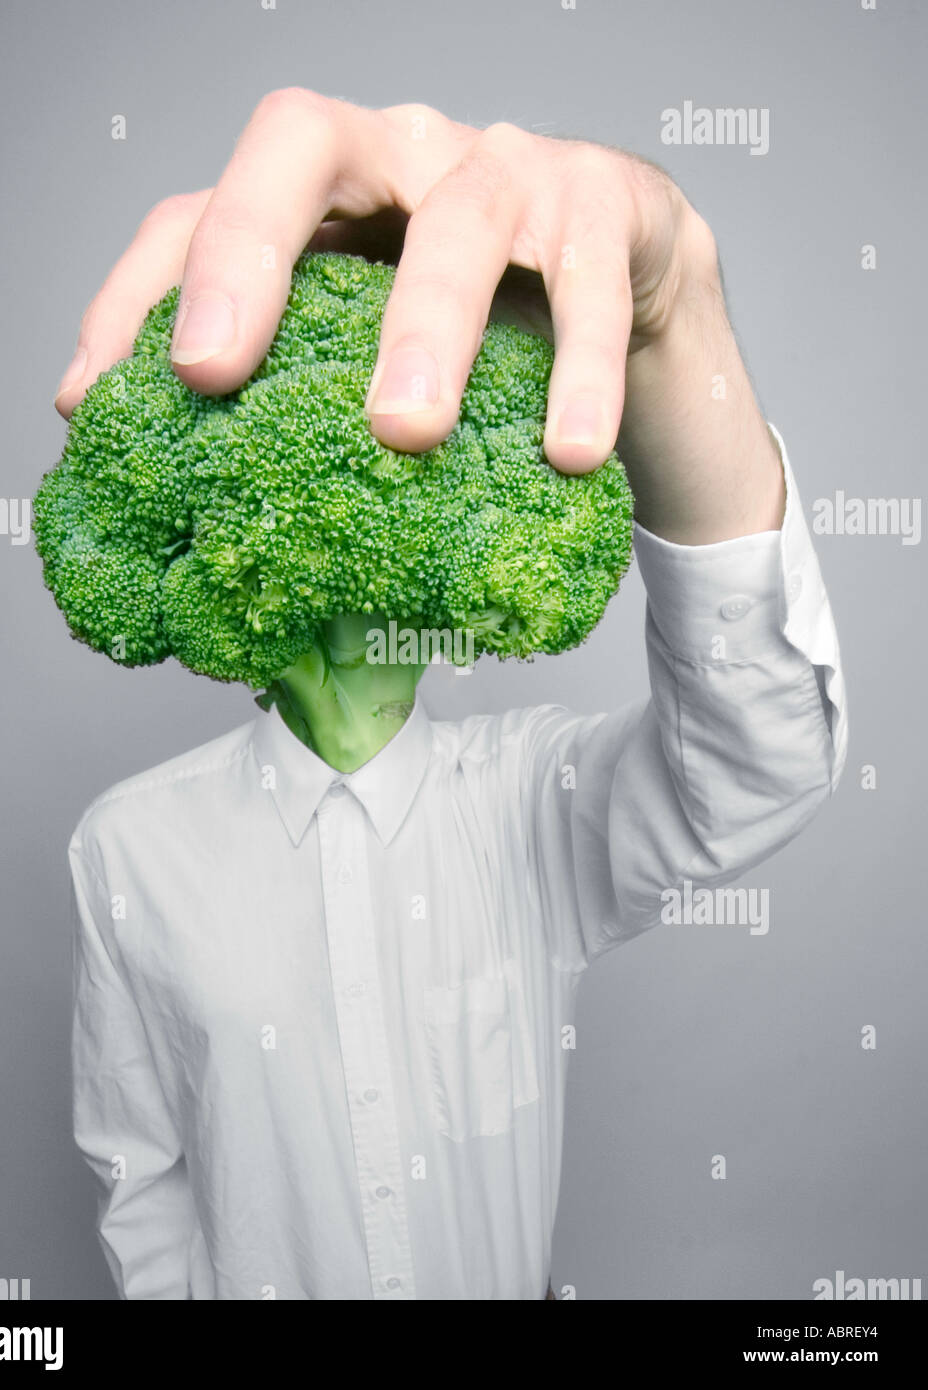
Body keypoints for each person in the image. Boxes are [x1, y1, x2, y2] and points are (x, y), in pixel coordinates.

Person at [57, 88, 847, 1300]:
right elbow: (138, 1167)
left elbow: (758, 762)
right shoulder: (126, 849)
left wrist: (666, 325)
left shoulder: (528, 806)